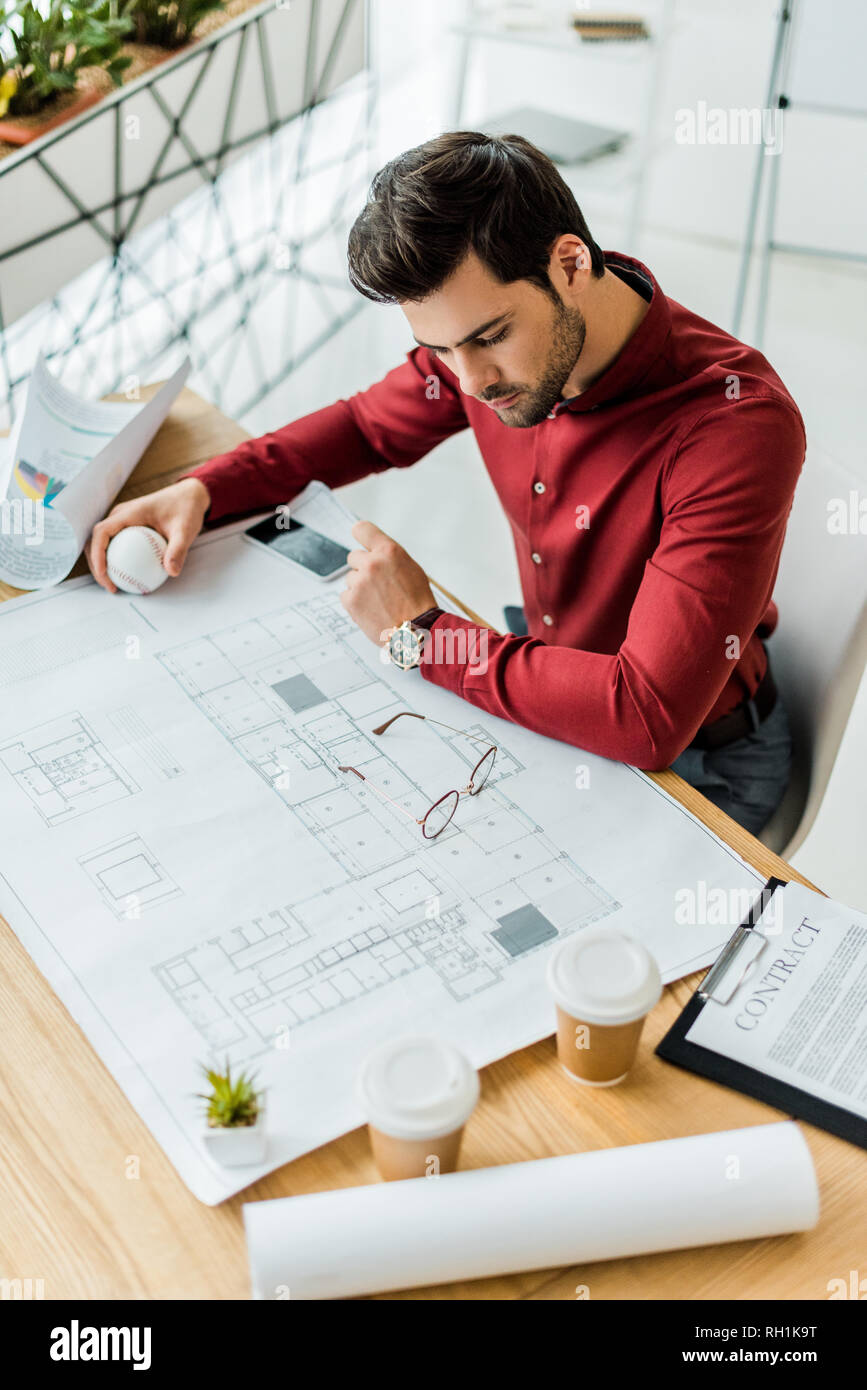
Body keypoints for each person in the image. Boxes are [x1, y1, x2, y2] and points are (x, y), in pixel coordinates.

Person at [86, 132, 805, 836]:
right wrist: (207, 489)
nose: (467, 381)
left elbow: (643, 716)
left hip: (698, 766)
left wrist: (422, 636)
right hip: (548, 681)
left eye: (488, 337)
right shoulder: (482, 353)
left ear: (569, 264)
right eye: (438, 348)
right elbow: (368, 429)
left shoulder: (734, 428)